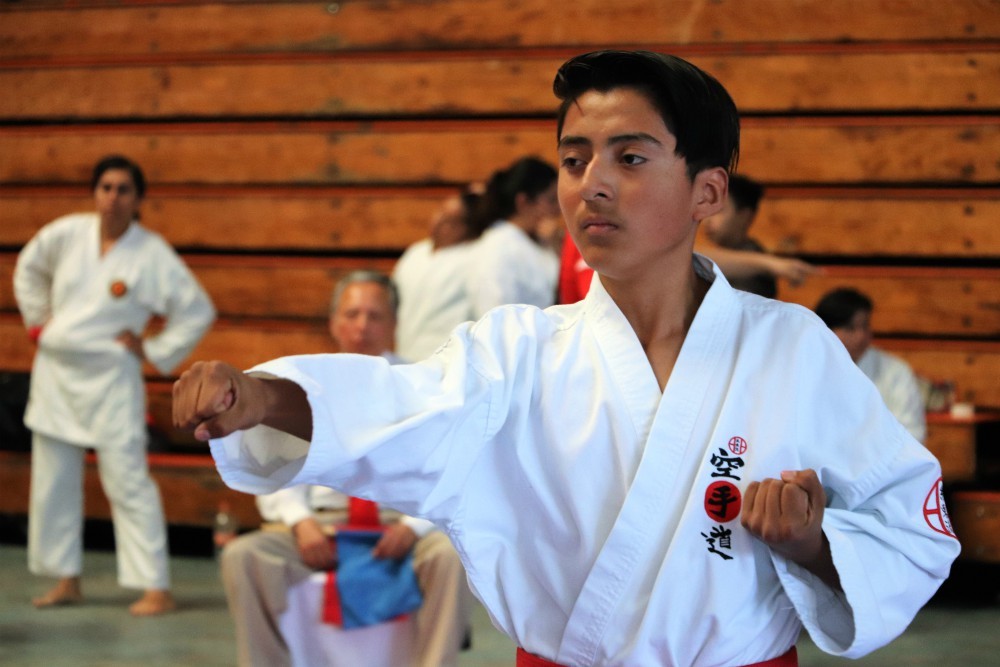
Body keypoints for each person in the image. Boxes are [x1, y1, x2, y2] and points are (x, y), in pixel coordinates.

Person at [174, 51, 959, 667]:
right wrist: (261, 398)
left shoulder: (791, 348)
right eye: (575, 158)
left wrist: (811, 543)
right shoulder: (519, 347)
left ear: (707, 192)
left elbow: (915, 527)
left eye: (631, 157)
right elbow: (402, 407)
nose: (594, 185)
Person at [219, 270, 471, 667]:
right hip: (327, 525)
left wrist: (413, 528)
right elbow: (278, 463)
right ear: (335, 323)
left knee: (450, 556)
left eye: (375, 316)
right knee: (244, 555)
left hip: (398, 525)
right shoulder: (302, 386)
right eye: (352, 314)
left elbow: (449, 471)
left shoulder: (420, 386)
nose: (362, 326)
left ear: (394, 325)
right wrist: (300, 521)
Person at [14, 154, 215, 615]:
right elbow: (29, 268)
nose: (113, 197)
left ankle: (155, 586)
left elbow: (197, 309)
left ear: (139, 198)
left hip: (111, 375)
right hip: (57, 370)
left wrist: (152, 349)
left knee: (127, 479)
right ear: (95, 192)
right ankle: (65, 579)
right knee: (53, 481)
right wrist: (37, 323)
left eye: (124, 189)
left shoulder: (152, 252)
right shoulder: (66, 234)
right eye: (105, 187)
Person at [558, 173, 815, 303]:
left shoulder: (752, 271)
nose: (710, 220)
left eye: (721, 212)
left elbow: (694, 257)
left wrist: (768, 264)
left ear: (746, 217)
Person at [815, 287, 927, 442]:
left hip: (882, 463)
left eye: (865, 326)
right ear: (826, 330)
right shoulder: (808, 369)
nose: (861, 336)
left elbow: (912, 432)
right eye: (850, 328)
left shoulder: (896, 372)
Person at [393, 186, 486, 361]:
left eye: (451, 221)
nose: (438, 222)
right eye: (440, 212)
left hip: (444, 359)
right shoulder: (416, 252)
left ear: (467, 228)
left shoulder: (474, 258)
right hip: (404, 351)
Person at [466, 156, 563, 317]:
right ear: (523, 202)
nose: (558, 210)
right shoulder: (498, 246)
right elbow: (494, 314)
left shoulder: (538, 243)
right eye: (551, 200)